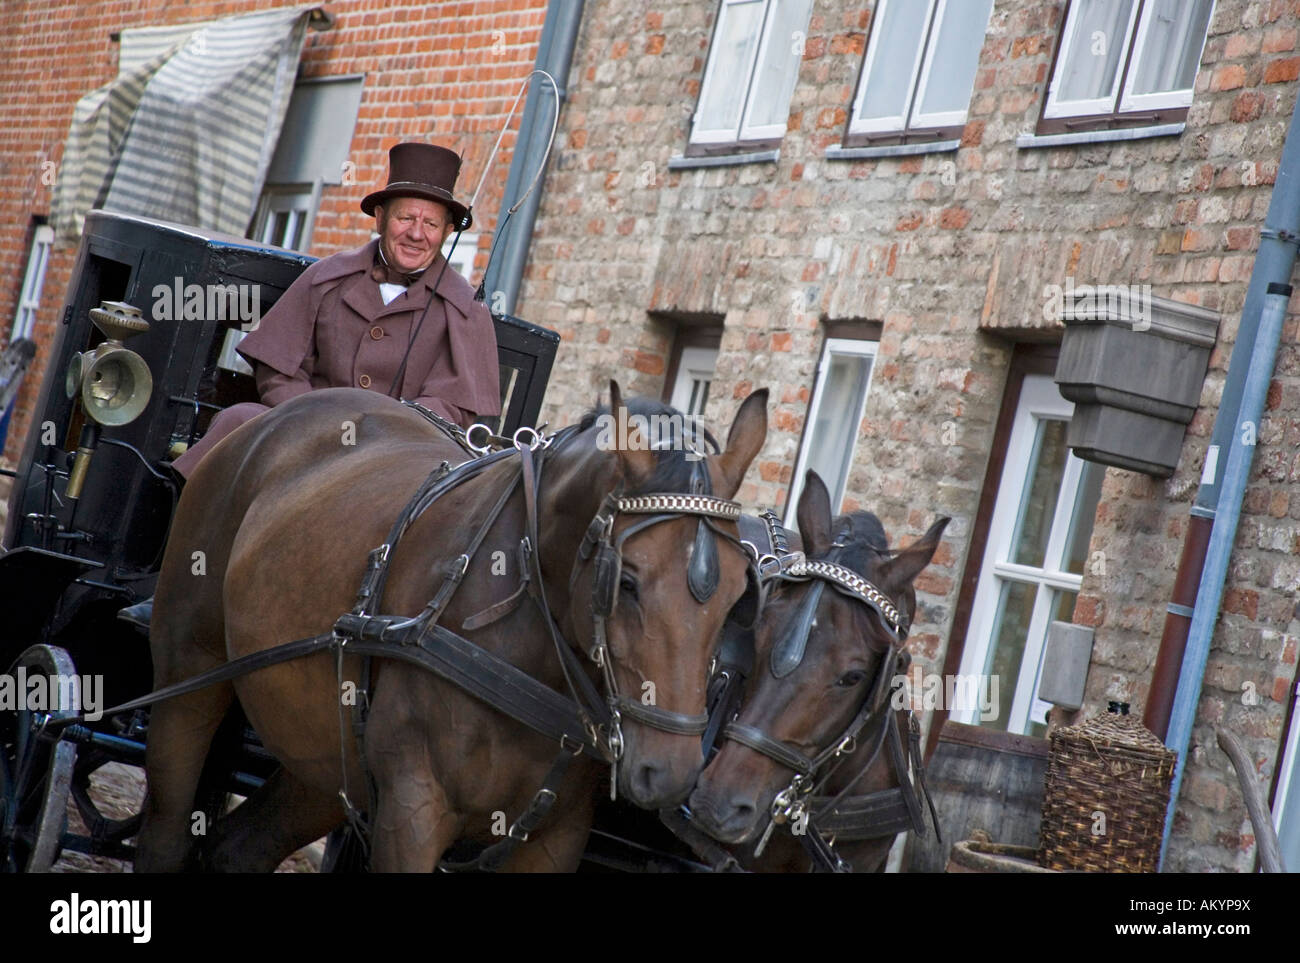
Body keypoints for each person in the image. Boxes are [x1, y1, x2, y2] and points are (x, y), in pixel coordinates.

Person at [119, 142, 501, 629]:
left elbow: (455, 406)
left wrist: (380, 437)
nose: (417, 234)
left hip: (396, 460)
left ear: (447, 232)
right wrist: (316, 421)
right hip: (303, 432)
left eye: (431, 224)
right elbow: (278, 369)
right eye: (407, 218)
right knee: (237, 423)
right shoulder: (328, 278)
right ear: (381, 216)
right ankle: (180, 589)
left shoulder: (463, 310)